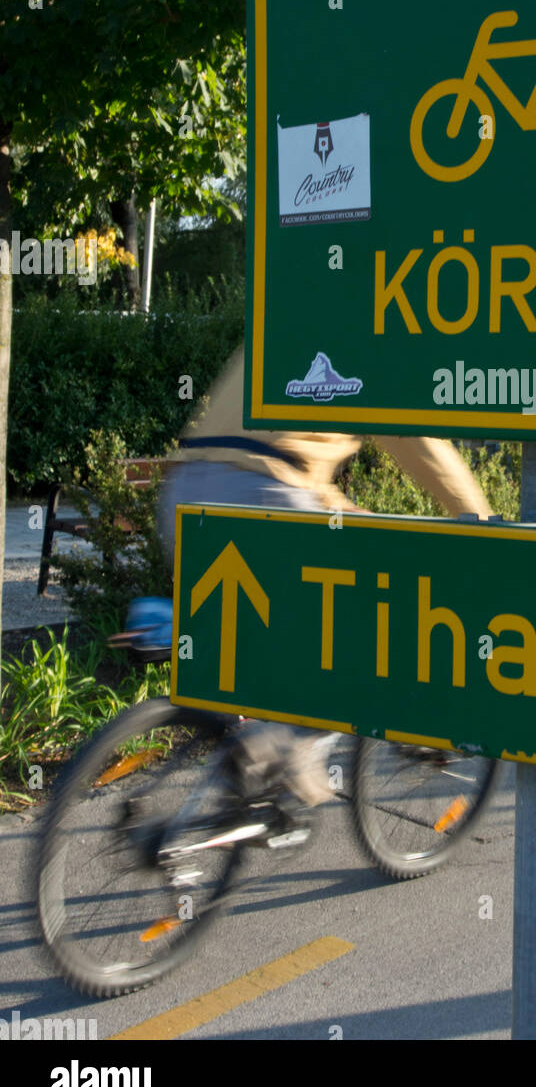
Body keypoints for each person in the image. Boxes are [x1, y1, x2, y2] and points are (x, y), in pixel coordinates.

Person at [156, 344, 493, 811]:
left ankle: (239, 749)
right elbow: (415, 437)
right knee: (358, 625)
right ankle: (287, 743)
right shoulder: (369, 331)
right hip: (266, 496)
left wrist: (347, 511)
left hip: (186, 489)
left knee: (251, 646)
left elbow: (278, 453)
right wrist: (481, 522)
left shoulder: (285, 320)